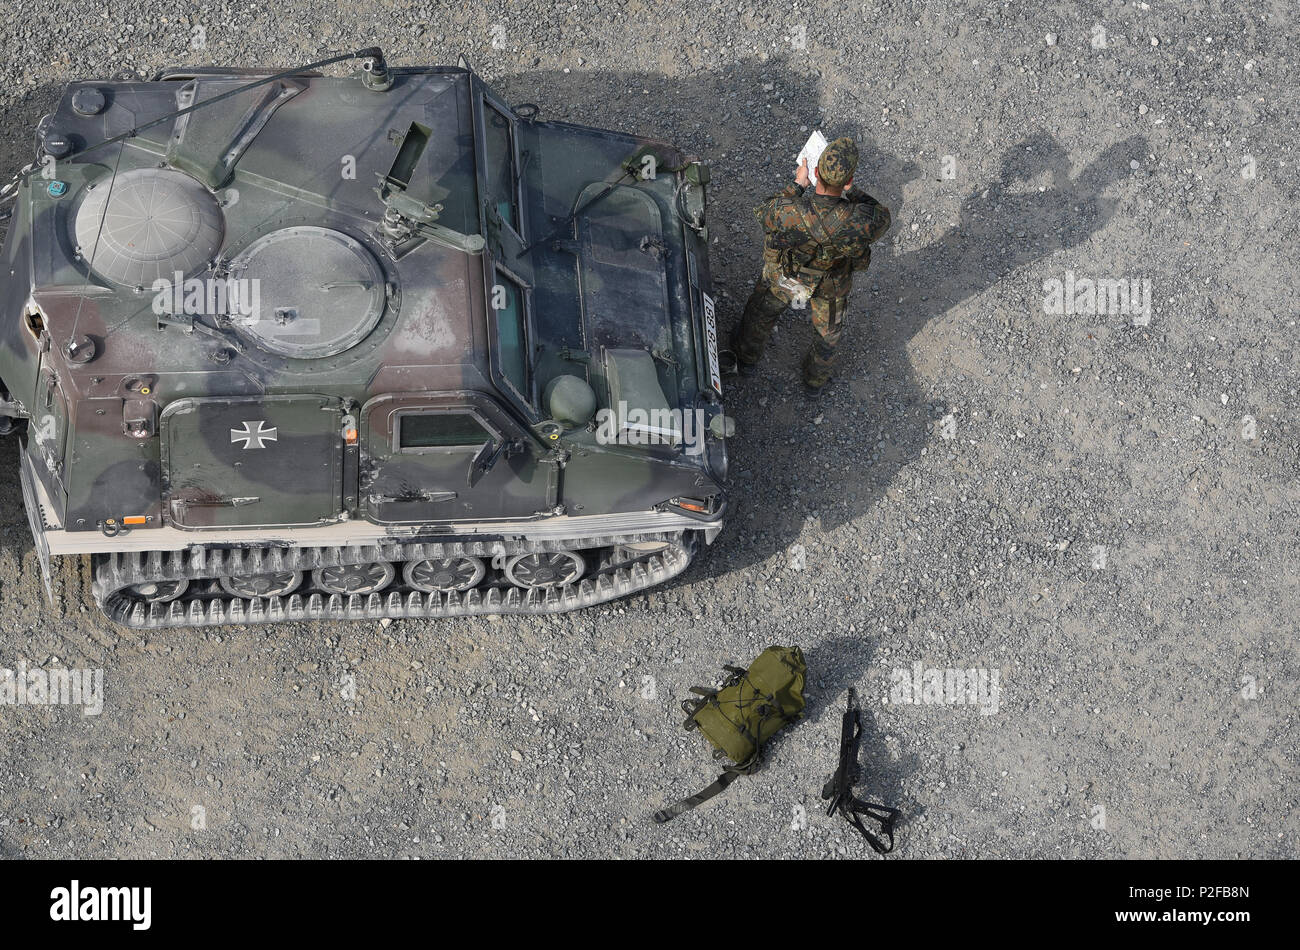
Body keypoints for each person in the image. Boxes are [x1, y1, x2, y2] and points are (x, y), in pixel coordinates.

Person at [729, 136, 892, 396]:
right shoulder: (861, 220)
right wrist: (852, 192)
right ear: (848, 181)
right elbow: (882, 215)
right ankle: (814, 382)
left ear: (815, 172)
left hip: (787, 275)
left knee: (760, 313)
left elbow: (763, 213)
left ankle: (745, 358)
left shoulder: (790, 210)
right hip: (831, 284)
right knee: (828, 334)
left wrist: (797, 185)